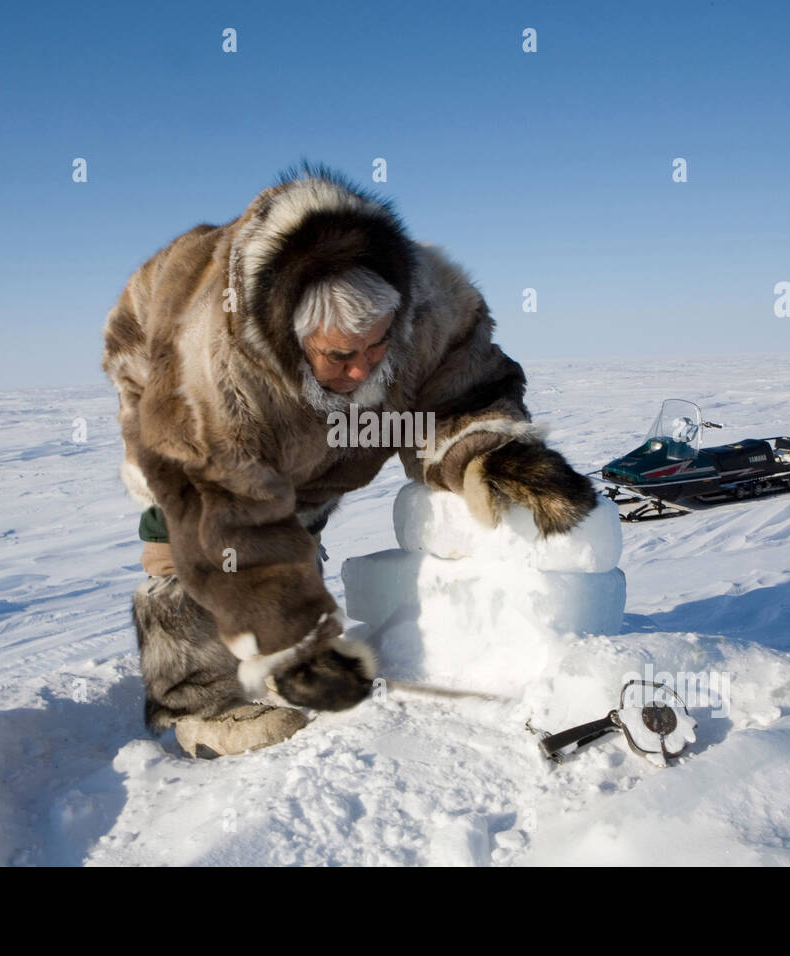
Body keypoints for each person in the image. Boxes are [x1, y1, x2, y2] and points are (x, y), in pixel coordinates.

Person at [102, 162, 596, 758]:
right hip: (162, 363)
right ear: (291, 331)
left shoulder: (433, 299)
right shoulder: (211, 365)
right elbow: (218, 502)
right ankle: (199, 702)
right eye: (339, 354)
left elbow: (460, 388)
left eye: (377, 344)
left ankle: (281, 599)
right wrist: (293, 643)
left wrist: (490, 455)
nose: (362, 369)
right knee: (189, 528)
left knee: (303, 498)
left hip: (295, 411)